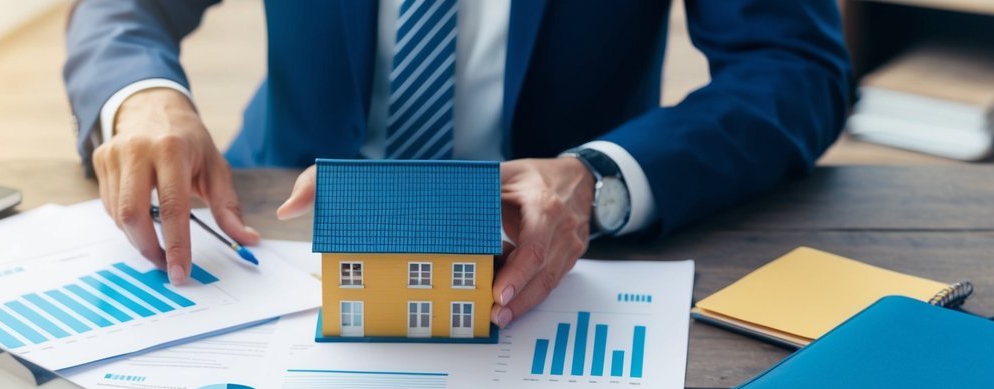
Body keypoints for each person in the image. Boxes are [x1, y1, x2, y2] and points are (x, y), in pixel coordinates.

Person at [64, 0, 850, 327]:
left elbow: (794, 68)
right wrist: (144, 98)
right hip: (278, 228)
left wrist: (598, 178)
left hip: (551, 255)